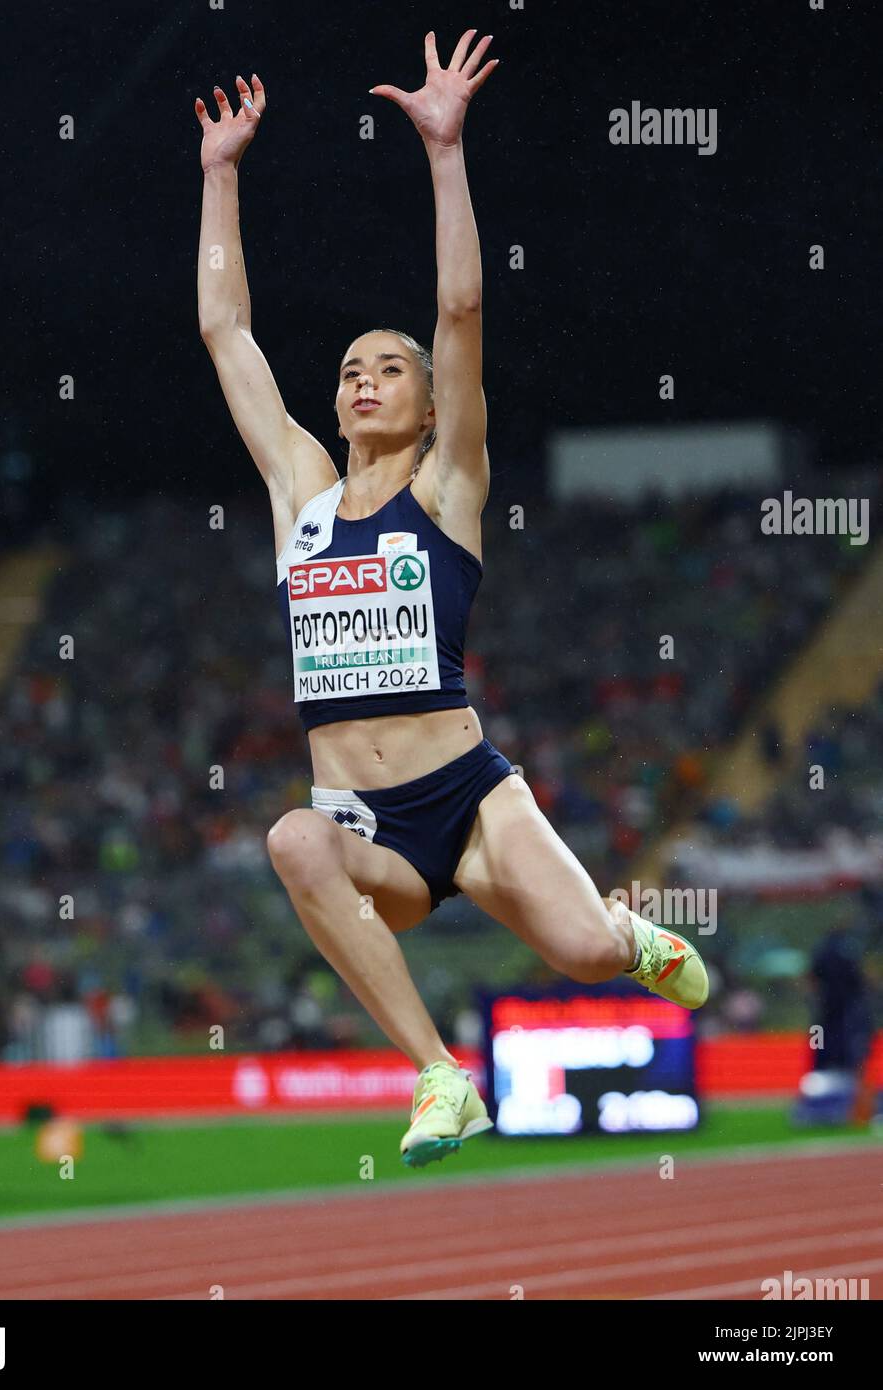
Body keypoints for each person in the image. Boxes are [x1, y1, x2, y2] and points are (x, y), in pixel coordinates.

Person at [195, 29, 709, 1168]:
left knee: (579, 953)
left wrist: (444, 150)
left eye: (387, 366)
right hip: (364, 823)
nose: (362, 377)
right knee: (291, 836)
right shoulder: (304, 500)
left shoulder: (447, 489)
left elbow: (464, 311)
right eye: (347, 370)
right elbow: (226, 332)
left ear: (429, 409)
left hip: (471, 796)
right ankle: (440, 1075)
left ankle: (628, 936)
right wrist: (220, 176)